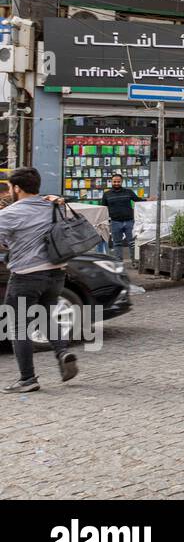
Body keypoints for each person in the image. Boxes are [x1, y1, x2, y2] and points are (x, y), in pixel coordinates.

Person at [0, 168, 78, 393]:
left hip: (26, 275)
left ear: (16, 188)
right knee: (45, 317)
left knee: (18, 327)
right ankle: (62, 352)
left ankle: (27, 379)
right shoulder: (54, 205)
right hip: (56, 273)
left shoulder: (10, 213)